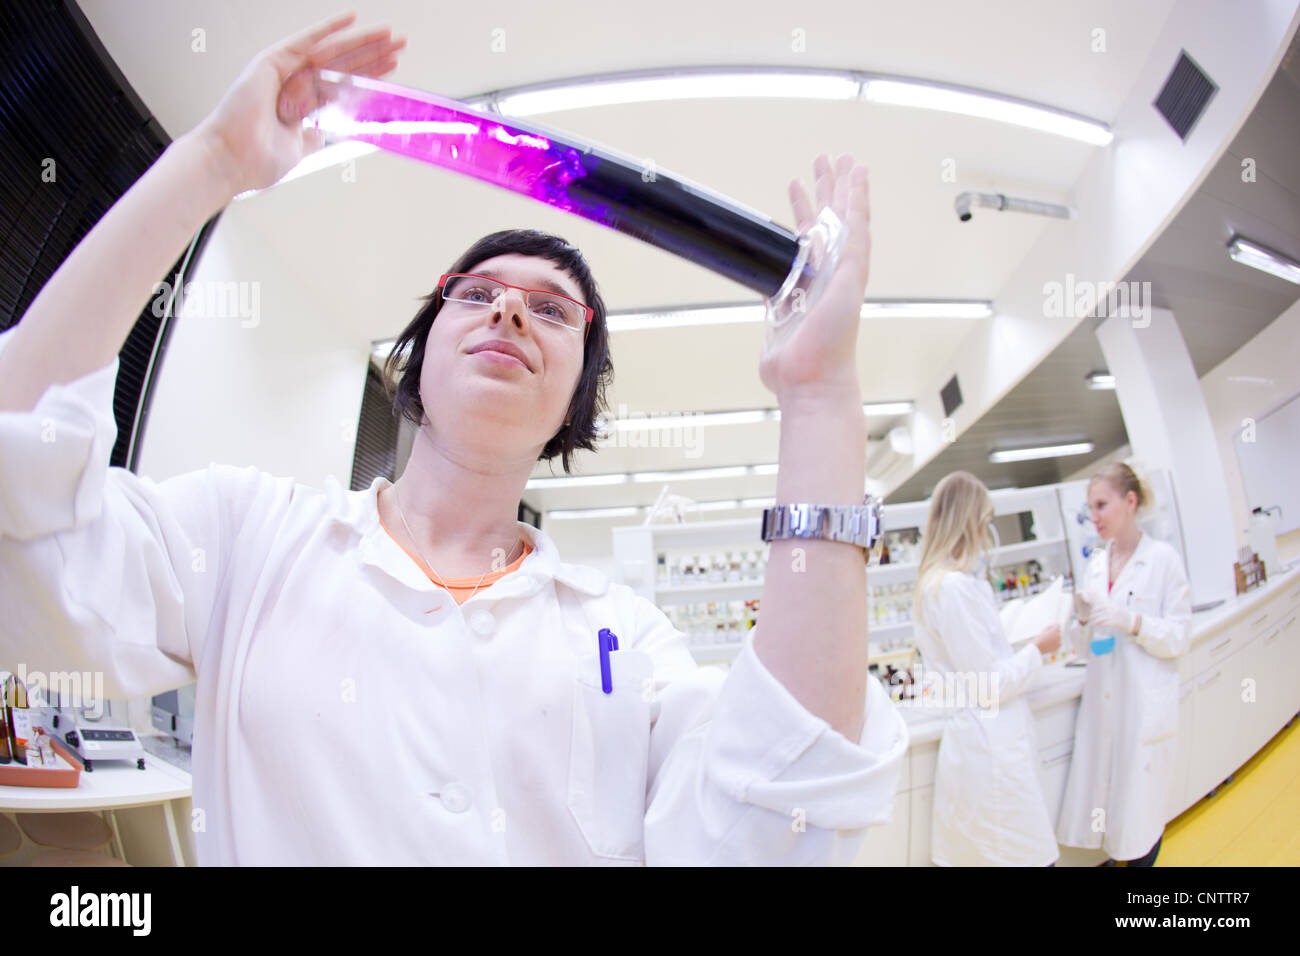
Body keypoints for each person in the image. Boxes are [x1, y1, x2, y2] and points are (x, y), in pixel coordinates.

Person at [0, 13, 907, 864]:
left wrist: (821, 400)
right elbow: (27, 512)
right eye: (474, 294)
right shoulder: (248, 535)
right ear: (418, 358)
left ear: (573, 403)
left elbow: (783, 798)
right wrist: (207, 164)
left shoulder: (619, 638)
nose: (509, 305)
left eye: (552, 311)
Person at [910, 472, 1062, 866]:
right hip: (989, 747)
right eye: (985, 521)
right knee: (1028, 858)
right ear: (970, 521)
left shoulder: (949, 584)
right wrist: (1037, 649)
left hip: (989, 743)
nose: (986, 532)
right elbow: (988, 686)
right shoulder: (951, 588)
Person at [1056, 462, 1192, 866]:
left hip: (1143, 708)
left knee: (1141, 820)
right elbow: (1087, 649)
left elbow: (1179, 637)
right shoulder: (1097, 565)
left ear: (1130, 502)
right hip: (1106, 708)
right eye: (1089, 508)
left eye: (1101, 505)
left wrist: (1132, 621)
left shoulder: (1163, 560)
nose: (1093, 517)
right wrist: (1081, 619)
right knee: (1115, 823)